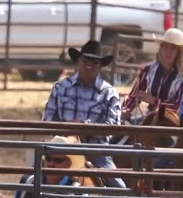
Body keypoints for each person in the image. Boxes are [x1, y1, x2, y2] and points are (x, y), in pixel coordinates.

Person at [43, 39, 123, 186]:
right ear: (78, 61)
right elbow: (48, 119)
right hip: (62, 147)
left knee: (119, 188)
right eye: (86, 60)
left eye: (95, 62)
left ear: (101, 66)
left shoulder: (109, 93)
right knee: (29, 181)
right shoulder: (60, 88)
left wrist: (83, 126)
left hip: (96, 151)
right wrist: (66, 128)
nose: (90, 65)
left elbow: (113, 127)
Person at [121, 28, 183, 124]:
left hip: (172, 122)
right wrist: (125, 109)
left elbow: (177, 106)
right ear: (161, 48)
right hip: (150, 117)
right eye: (165, 46)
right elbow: (134, 95)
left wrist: (153, 101)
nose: (168, 51)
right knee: (122, 130)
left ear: (179, 52)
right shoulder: (148, 70)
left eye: (173, 48)